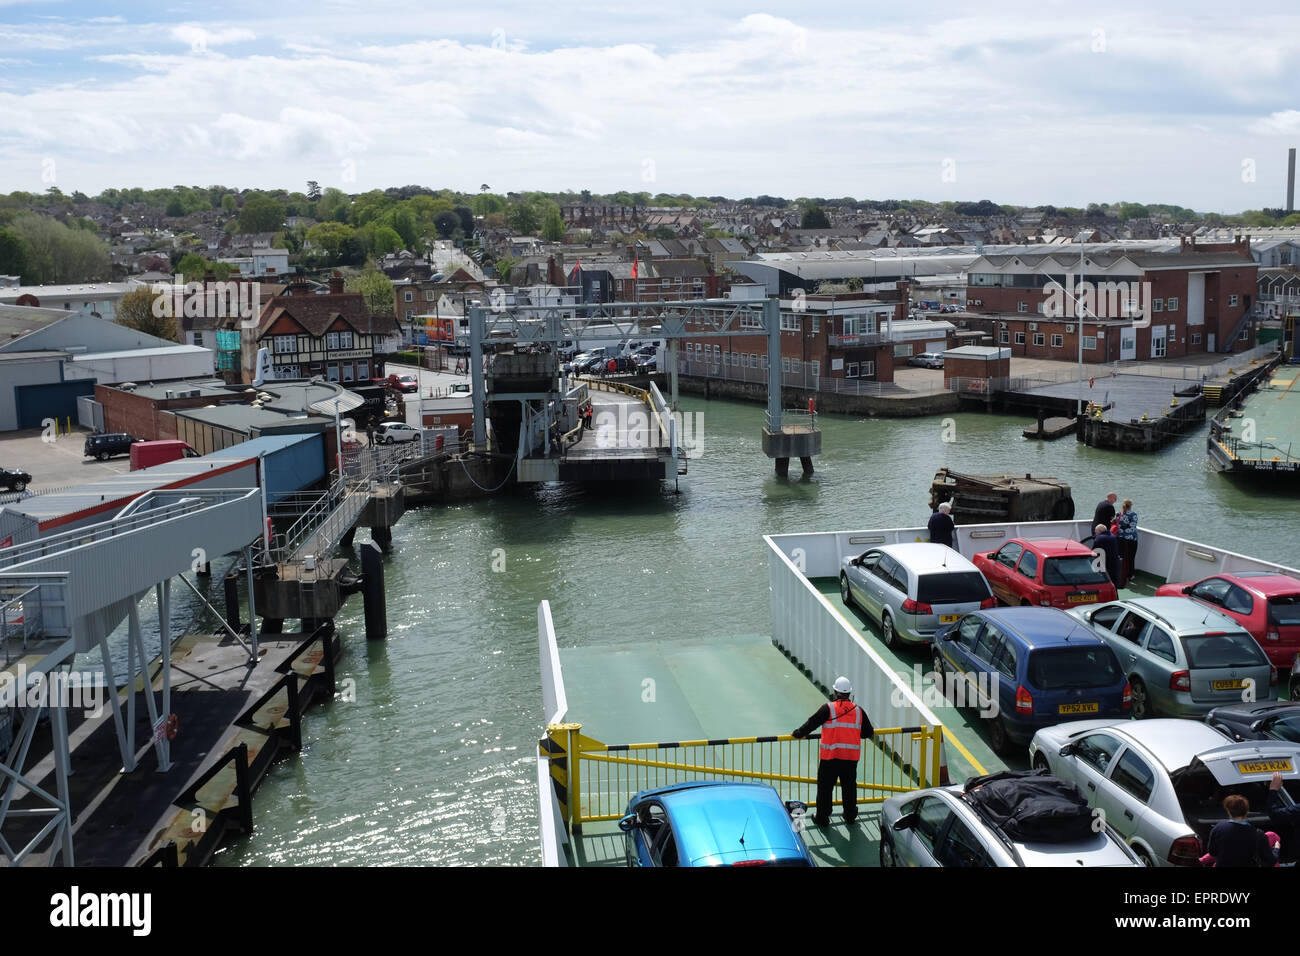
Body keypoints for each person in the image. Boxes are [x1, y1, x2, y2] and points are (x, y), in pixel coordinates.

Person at [792, 676, 874, 827]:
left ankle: (822, 818)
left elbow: (812, 723)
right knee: (849, 788)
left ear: (835, 692)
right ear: (849, 693)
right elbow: (868, 732)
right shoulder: (858, 711)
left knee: (825, 789)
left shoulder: (828, 708)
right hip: (850, 759)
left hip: (830, 758)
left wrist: (798, 733)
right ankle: (850, 816)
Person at [1202, 794, 1274, 866]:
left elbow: (1212, 852)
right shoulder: (1258, 834)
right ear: (1247, 811)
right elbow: (1270, 861)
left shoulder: (1218, 828)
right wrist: (1276, 850)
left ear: (1228, 811)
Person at [1116, 499, 1138, 588]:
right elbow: (1133, 528)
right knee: (1131, 557)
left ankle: (1121, 575)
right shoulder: (1133, 515)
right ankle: (1130, 575)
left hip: (1120, 539)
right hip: (1131, 539)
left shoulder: (1118, 514)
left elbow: (1114, 522)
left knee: (1122, 557)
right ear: (1130, 505)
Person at [1093, 524, 1121, 588]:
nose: (1096, 534)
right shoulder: (1113, 536)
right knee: (1114, 584)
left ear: (1099, 531)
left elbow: (1095, 552)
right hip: (1115, 564)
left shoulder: (1099, 538)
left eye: (1096, 532)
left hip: (1105, 565)